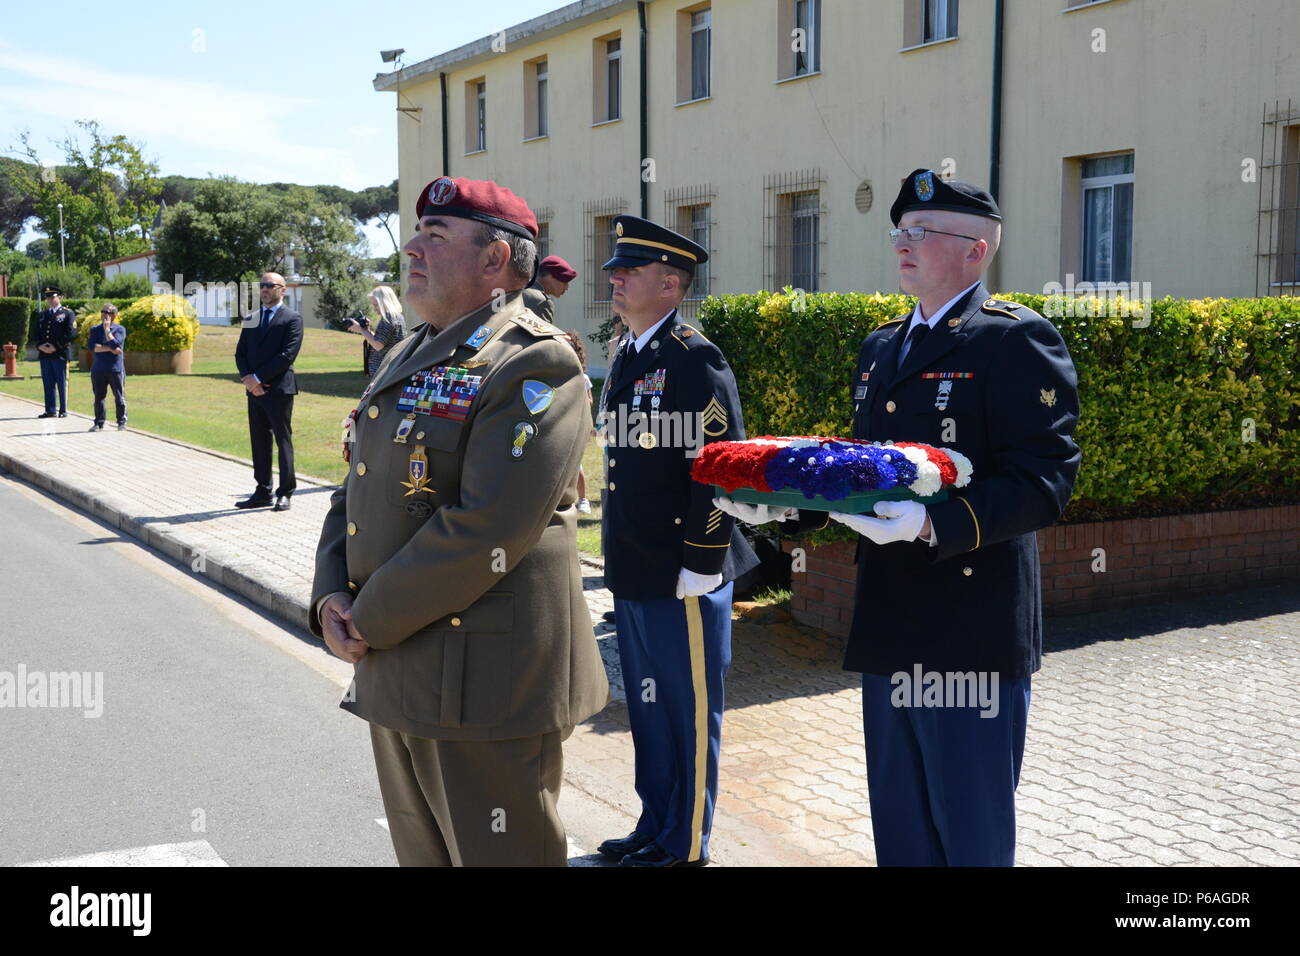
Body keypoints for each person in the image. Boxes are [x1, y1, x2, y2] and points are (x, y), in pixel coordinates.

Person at [716, 168, 1081, 866]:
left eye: (921, 232)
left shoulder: (1014, 341)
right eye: (900, 232)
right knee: (903, 833)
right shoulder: (884, 344)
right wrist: (787, 508)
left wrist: (931, 525)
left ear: (976, 250)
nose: (902, 244)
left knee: (968, 832)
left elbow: (1044, 481)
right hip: (890, 621)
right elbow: (863, 473)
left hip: (969, 631)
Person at [309, 176, 608, 867]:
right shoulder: (410, 353)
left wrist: (367, 617)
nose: (411, 248)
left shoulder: (535, 362)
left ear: (495, 261)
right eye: (418, 235)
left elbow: (489, 529)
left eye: (435, 237)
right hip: (395, 669)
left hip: (483, 686)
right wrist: (329, 596)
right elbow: (354, 484)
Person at [595, 215, 757, 867]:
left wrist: (703, 560)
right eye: (614, 269)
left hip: (681, 571)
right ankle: (655, 822)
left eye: (627, 271)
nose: (614, 278)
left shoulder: (694, 358)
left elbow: (720, 465)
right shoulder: (628, 352)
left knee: (689, 714)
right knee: (650, 710)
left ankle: (686, 842)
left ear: (669, 284)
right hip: (635, 566)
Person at [234, 272, 303, 511]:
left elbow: (287, 355)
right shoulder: (252, 318)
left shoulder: (292, 318)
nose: (264, 289)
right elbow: (240, 353)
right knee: (259, 442)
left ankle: (286, 492)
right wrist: (249, 381)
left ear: (282, 290)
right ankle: (262, 491)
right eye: (261, 285)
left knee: (282, 441)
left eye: (269, 285)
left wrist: (258, 378)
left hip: (280, 390)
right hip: (254, 392)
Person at [560, 330, 594, 514]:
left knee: (577, 464)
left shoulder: (583, 377)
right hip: (562, 426)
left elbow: (589, 401)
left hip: (577, 424)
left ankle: (583, 499)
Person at [347, 285, 407, 379]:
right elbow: (382, 340)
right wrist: (367, 330)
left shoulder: (388, 318)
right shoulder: (397, 316)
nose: (374, 309)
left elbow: (378, 345)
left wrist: (361, 330)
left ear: (384, 302)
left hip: (384, 371)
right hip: (391, 368)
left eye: (376, 305)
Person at [34, 287, 76, 419]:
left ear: (60, 298)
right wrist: (40, 346)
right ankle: (50, 410)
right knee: (48, 382)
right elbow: (36, 333)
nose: (50, 300)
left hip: (60, 354)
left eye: (53, 297)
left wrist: (56, 346)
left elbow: (71, 333)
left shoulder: (67, 313)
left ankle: (63, 410)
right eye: (48, 298)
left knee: (62, 382)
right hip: (45, 354)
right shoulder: (42, 314)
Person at [86, 303, 127, 431]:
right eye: (102, 311)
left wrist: (108, 330)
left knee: (119, 396)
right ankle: (99, 422)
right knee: (99, 397)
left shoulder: (120, 329)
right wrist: (110, 348)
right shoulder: (94, 330)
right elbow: (93, 347)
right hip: (98, 369)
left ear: (114, 315)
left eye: (107, 312)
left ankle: (121, 422)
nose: (104, 314)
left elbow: (117, 346)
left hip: (115, 369)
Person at [522, 255, 577, 325]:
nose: (567, 288)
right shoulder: (542, 302)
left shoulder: (520, 288)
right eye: (564, 282)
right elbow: (544, 334)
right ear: (550, 277)